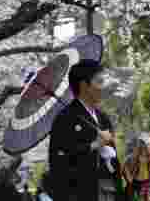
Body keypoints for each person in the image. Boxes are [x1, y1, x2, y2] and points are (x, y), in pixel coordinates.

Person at [48, 59, 122, 201]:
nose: (103, 87)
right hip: (81, 193)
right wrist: (93, 146)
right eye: (99, 82)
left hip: (109, 190)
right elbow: (58, 162)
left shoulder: (103, 118)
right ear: (84, 85)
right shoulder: (64, 119)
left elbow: (114, 161)